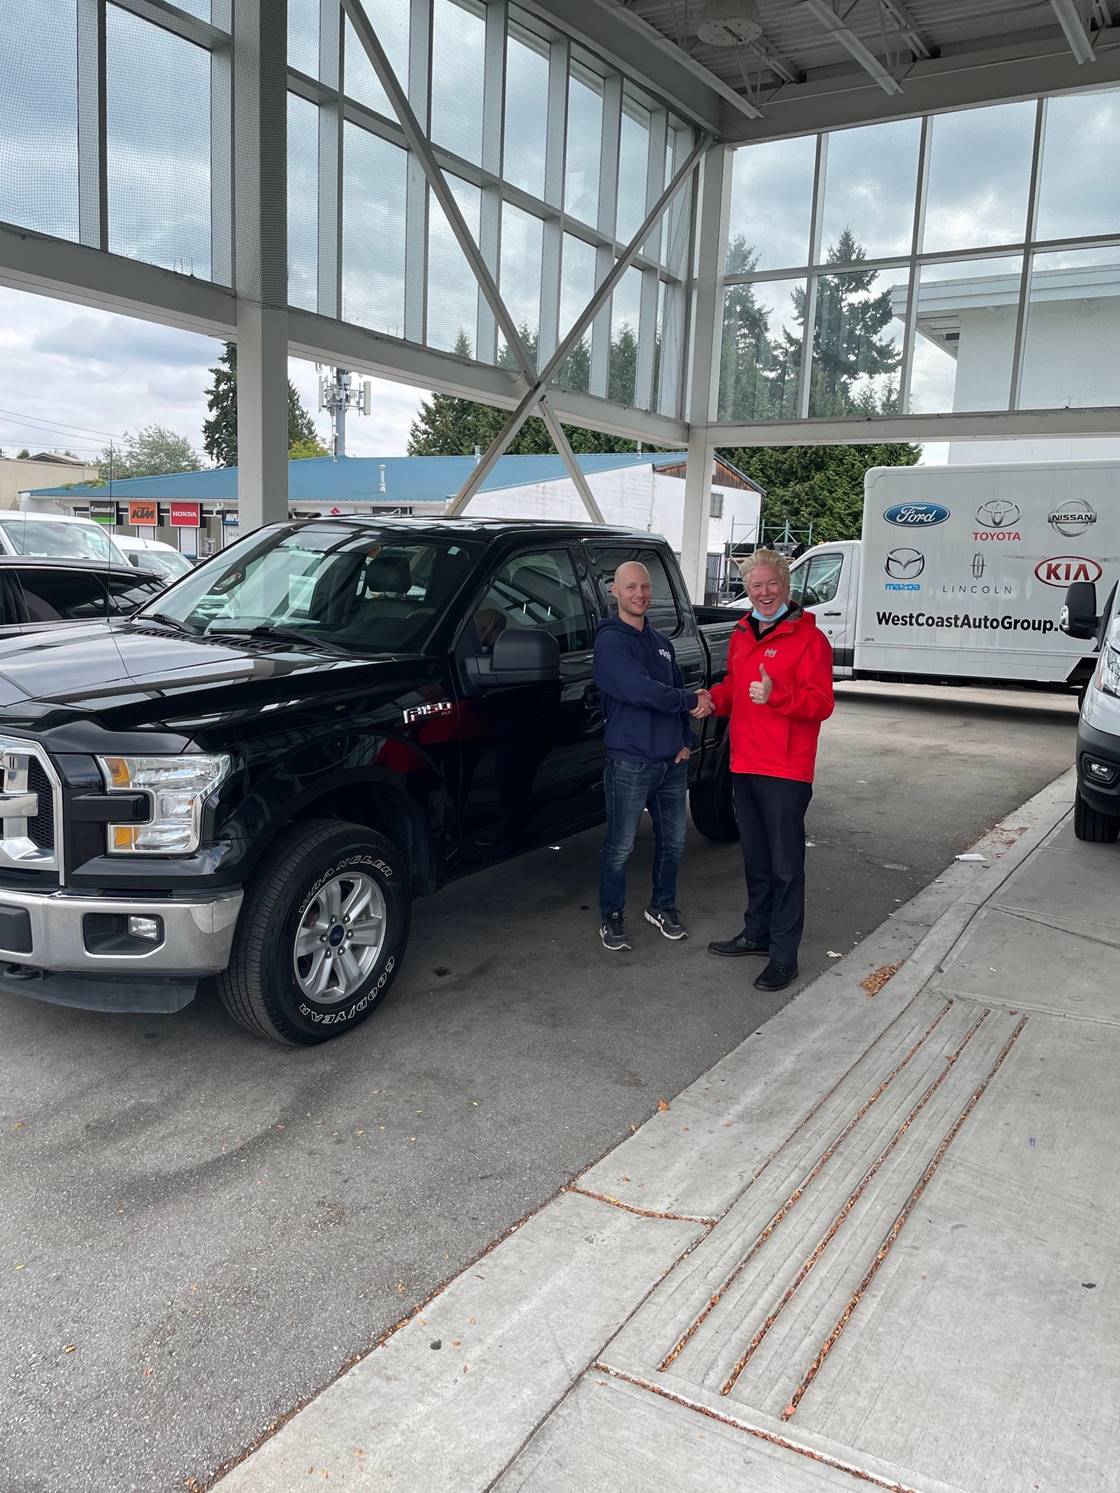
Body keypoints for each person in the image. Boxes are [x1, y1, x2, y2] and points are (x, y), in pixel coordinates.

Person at [693, 549, 834, 992]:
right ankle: (757, 933)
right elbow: (736, 686)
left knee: (786, 865)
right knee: (755, 858)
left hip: (786, 769)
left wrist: (776, 695)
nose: (764, 592)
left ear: (786, 587)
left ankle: (783, 955)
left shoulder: (810, 640)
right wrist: (714, 698)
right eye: (756, 586)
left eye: (772, 584)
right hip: (745, 762)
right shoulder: (741, 632)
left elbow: (821, 704)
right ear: (747, 590)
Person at [594, 561, 698, 951]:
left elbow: (672, 689)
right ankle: (611, 916)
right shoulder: (610, 643)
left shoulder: (662, 644)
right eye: (631, 587)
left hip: (671, 762)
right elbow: (641, 691)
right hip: (630, 763)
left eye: (645, 587)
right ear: (615, 592)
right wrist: (690, 702)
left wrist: (686, 738)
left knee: (674, 843)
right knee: (620, 847)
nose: (639, 594)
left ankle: (663, 906)